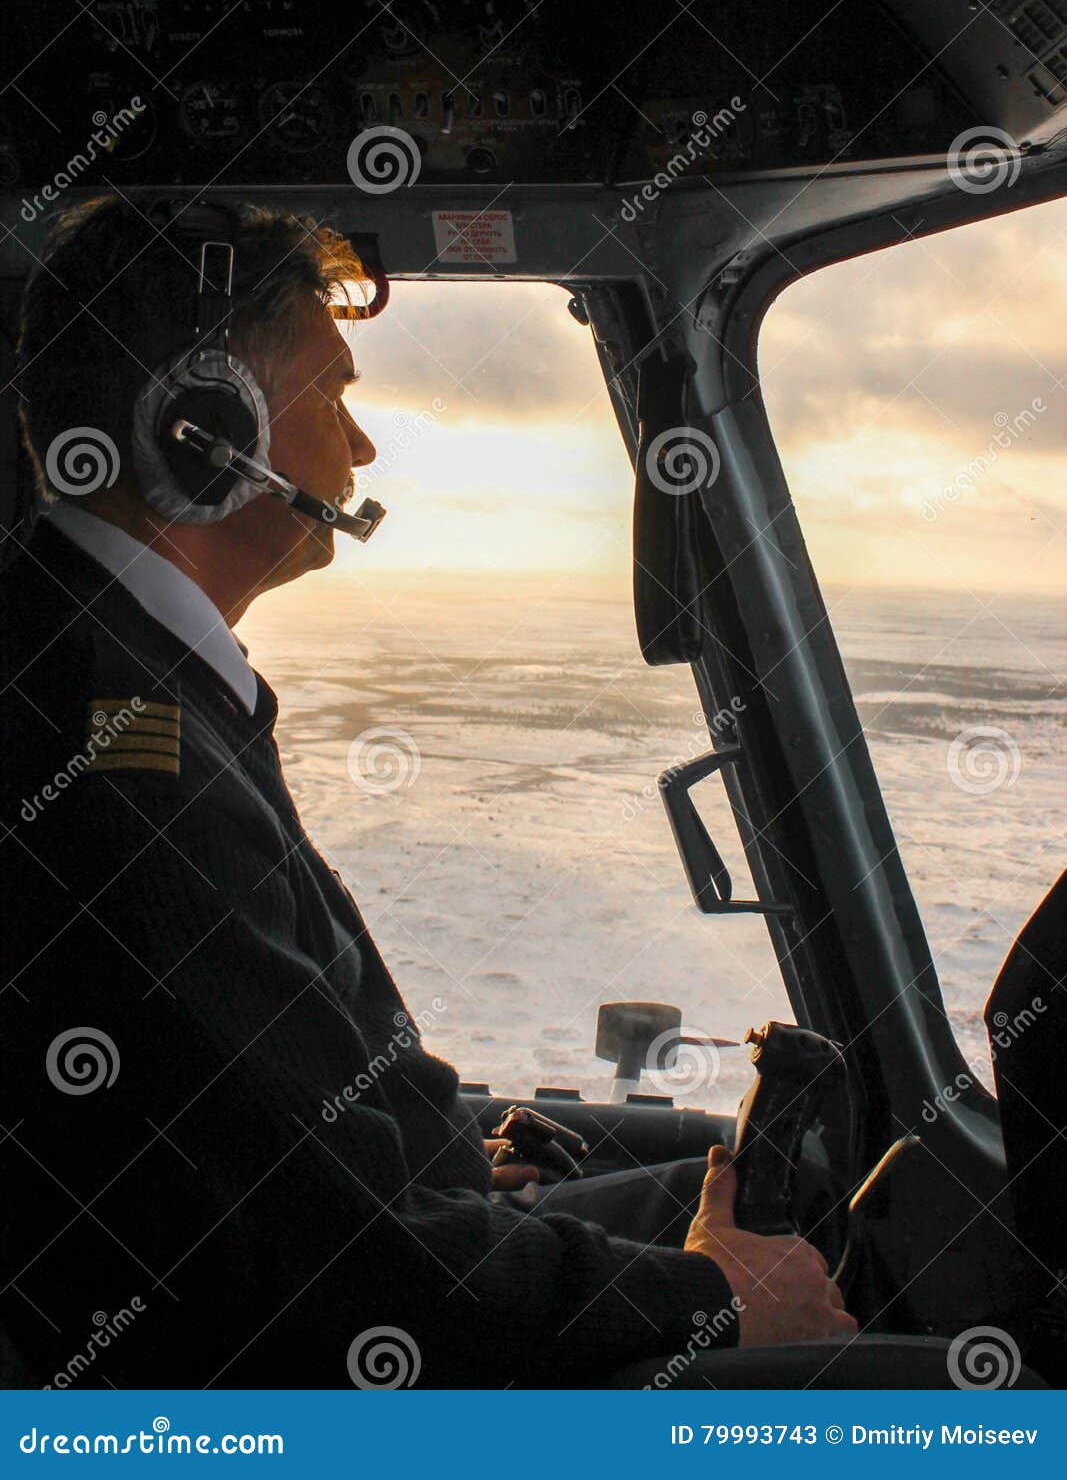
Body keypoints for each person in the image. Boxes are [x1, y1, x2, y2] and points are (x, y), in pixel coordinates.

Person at [0, 195, 854, 1388]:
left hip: (334, 1269)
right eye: (332, 394)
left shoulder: (106, 660)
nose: (358, 448)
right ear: (203, 430)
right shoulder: (121, 759)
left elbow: (279, 1131)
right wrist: (715, 1298)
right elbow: (353, 1275)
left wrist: (440, 1164)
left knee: (763, 1194)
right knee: (865, 1359)